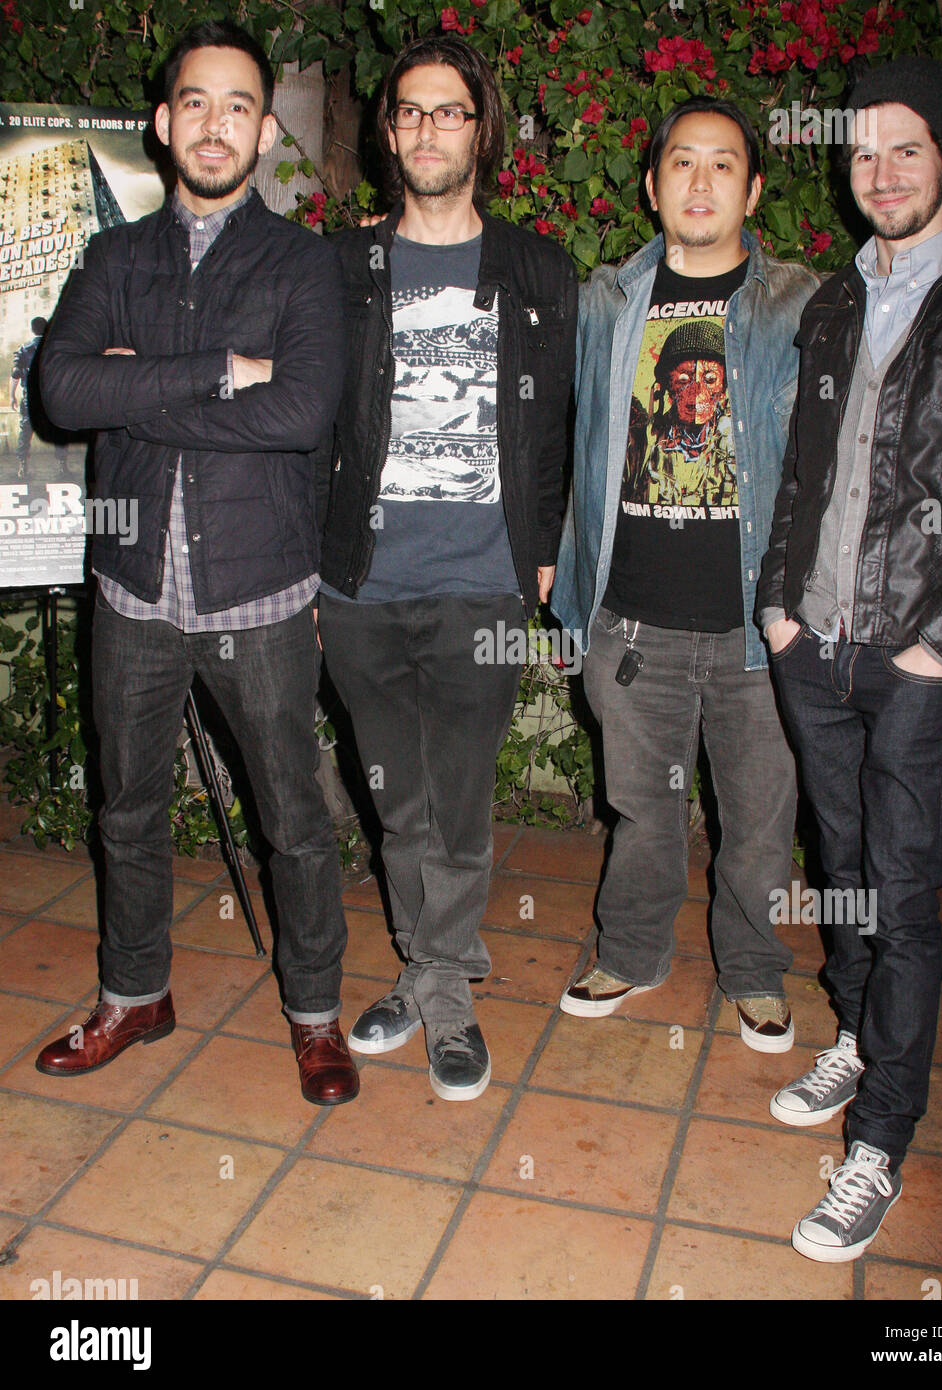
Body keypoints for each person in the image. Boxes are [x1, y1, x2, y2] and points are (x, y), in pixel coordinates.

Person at [756, 56, 942, 1261]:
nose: (879, 174)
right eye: (861, 153)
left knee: (904, 892)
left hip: (913, 656)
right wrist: (780, 603)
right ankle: (860, 1030)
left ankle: (879, 1137)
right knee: (839, 862)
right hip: (811, 640)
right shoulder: (835, 298)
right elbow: (802, 470)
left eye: (903, 151)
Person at [35, 20, 358, 1106]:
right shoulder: (112, 256)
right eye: (196, 102)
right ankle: (136, 993)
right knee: (125, 805)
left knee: (293, 816)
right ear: (164, 120)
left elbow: (307, 409)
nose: (215, 124)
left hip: (260, 591)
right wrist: (224, 370)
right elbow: (64, 391)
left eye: (238, 105)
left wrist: (150, 389)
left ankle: (316, 1016)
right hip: (132, 586)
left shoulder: (305, 262)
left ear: (265, 131)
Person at [317, 35, 577, 1100]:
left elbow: (558, 420)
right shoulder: (341, 266)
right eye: (411, 112)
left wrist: (546, 555)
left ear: (483, 129)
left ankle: (444, 993)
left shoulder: (536, 267)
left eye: (451, 112)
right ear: (389, 131)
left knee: (458, 806)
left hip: (483, 581)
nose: (430, 129)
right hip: (362, 585)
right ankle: (431, 974)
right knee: (397, 801)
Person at [550, 98, 820, 1051]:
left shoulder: (799, 303)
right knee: (641, 808)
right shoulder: (605, 301)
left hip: (761, 622)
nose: (699, 183)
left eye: (722, 166)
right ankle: (631, 949)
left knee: (758, 820)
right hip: (633, 618)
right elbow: (568, 433)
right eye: (681, 163)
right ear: (653, 179)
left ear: (751, 187)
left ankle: (753, 970)